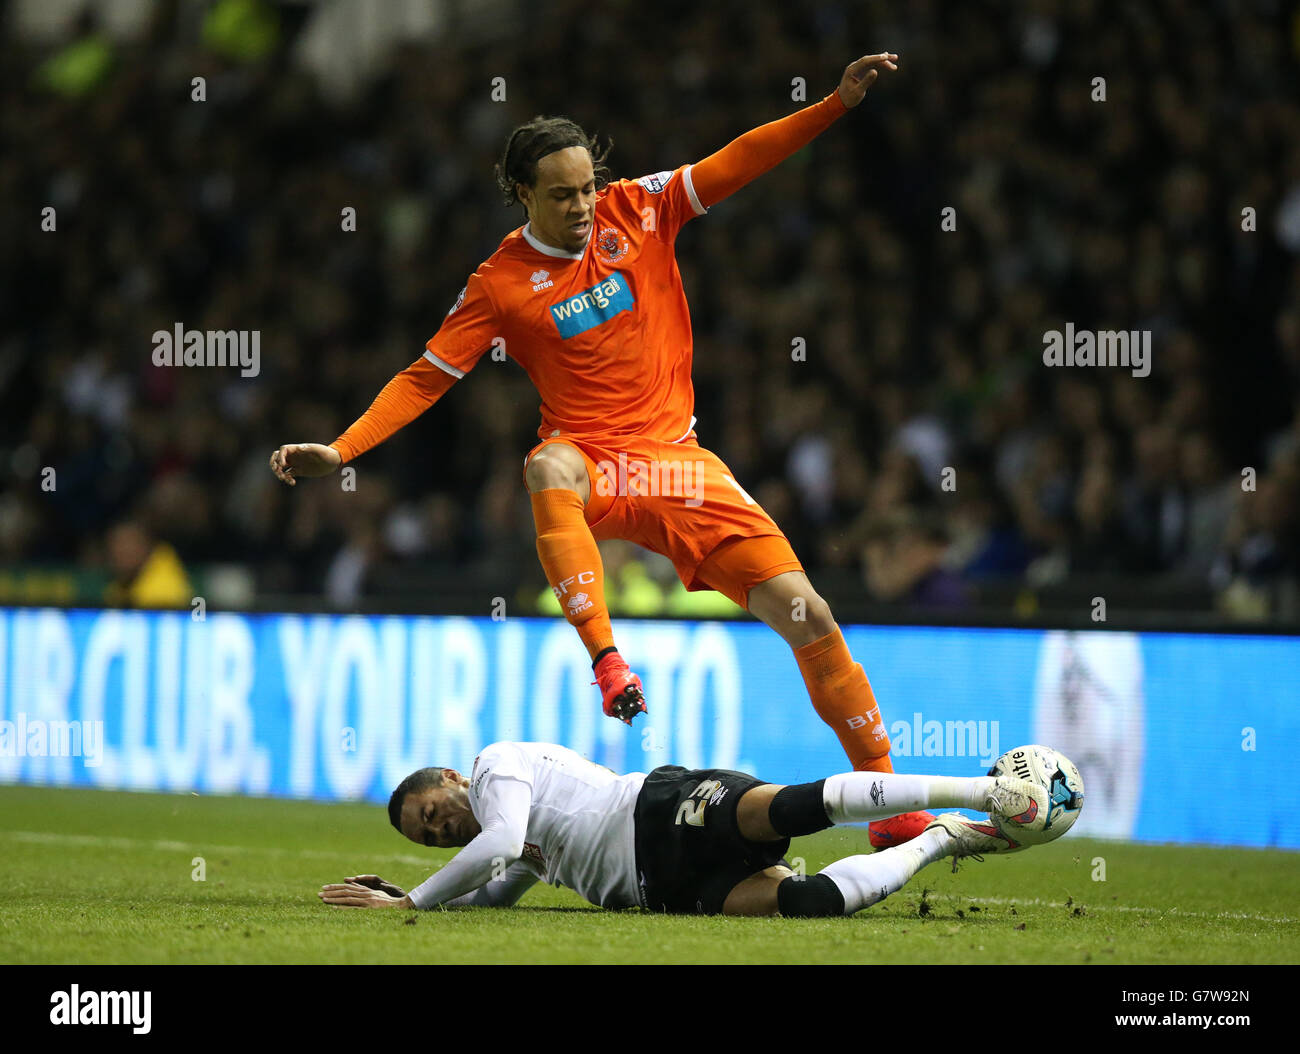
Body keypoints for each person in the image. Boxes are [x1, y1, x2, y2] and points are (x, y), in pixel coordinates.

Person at [274, 52, 932, 847]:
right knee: (545, 464)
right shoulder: (499, 283)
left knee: (810, 614)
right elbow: (425, 377)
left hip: (680, 462)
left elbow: (737, 161)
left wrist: (831, 105)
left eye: (588, 186)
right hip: (596, 465)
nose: (584, 205)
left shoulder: (640, 209)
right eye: (562, 194)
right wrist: (343, 452)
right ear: (523, 194)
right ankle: (608, 663)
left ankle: (893, 802)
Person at [318, 741, 1043, 917]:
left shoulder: (495, 769)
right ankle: (943, 835)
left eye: (431, 816)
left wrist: (412, 903)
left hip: (656, 810)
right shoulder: (518, 838)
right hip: (660, 886)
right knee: (807, 904)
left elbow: (499, 846)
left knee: (791, 810)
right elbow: (500, 885)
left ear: (447, 779)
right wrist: (429, 899)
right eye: (429, 840)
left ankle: (985, 787)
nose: (439, 832)